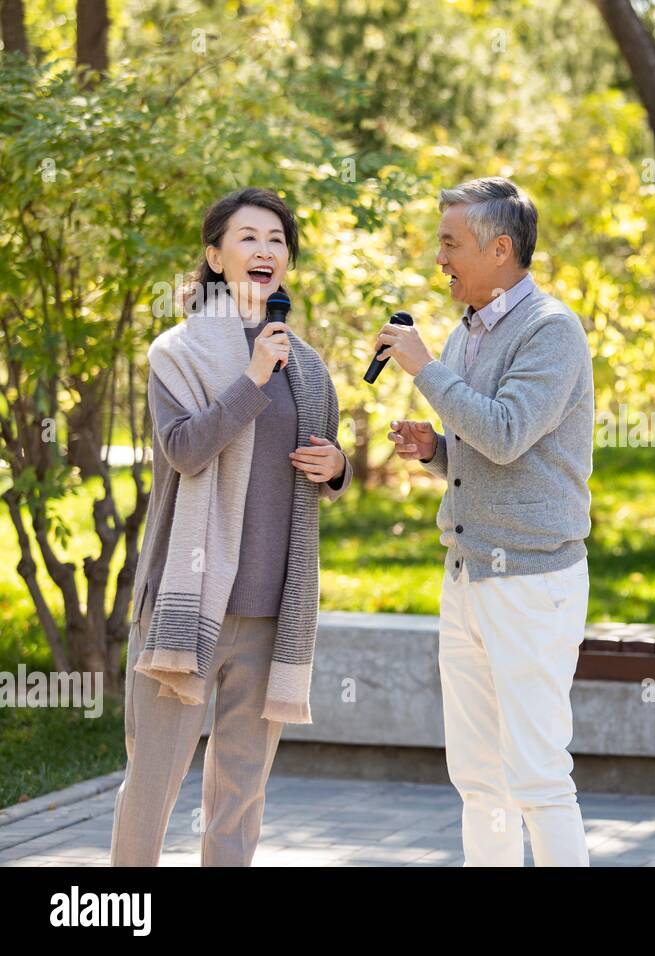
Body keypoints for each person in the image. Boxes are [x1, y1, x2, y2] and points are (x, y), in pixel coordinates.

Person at [111, 187, 353, 866]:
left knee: (241, 795)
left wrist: (336, 466)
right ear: (215, 256)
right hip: (189, 607)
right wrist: (249, 379)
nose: (266, 250)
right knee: (152, 786)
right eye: (248, 238)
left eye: (277, 240)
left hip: (272, 608)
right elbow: (184, 450)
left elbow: (318, 460)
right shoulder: (178, 353)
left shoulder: (305, 364)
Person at [379, 177, 594, 866]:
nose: (439, 257)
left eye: (451, 243)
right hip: (468, 574)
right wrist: (437, 451)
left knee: (535, 774)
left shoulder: (551, 331)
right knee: (477, 777)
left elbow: (506, 433)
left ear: (500, 249)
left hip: (530, 581)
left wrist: (425, 371)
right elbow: (488, 451)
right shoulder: (465, 330)